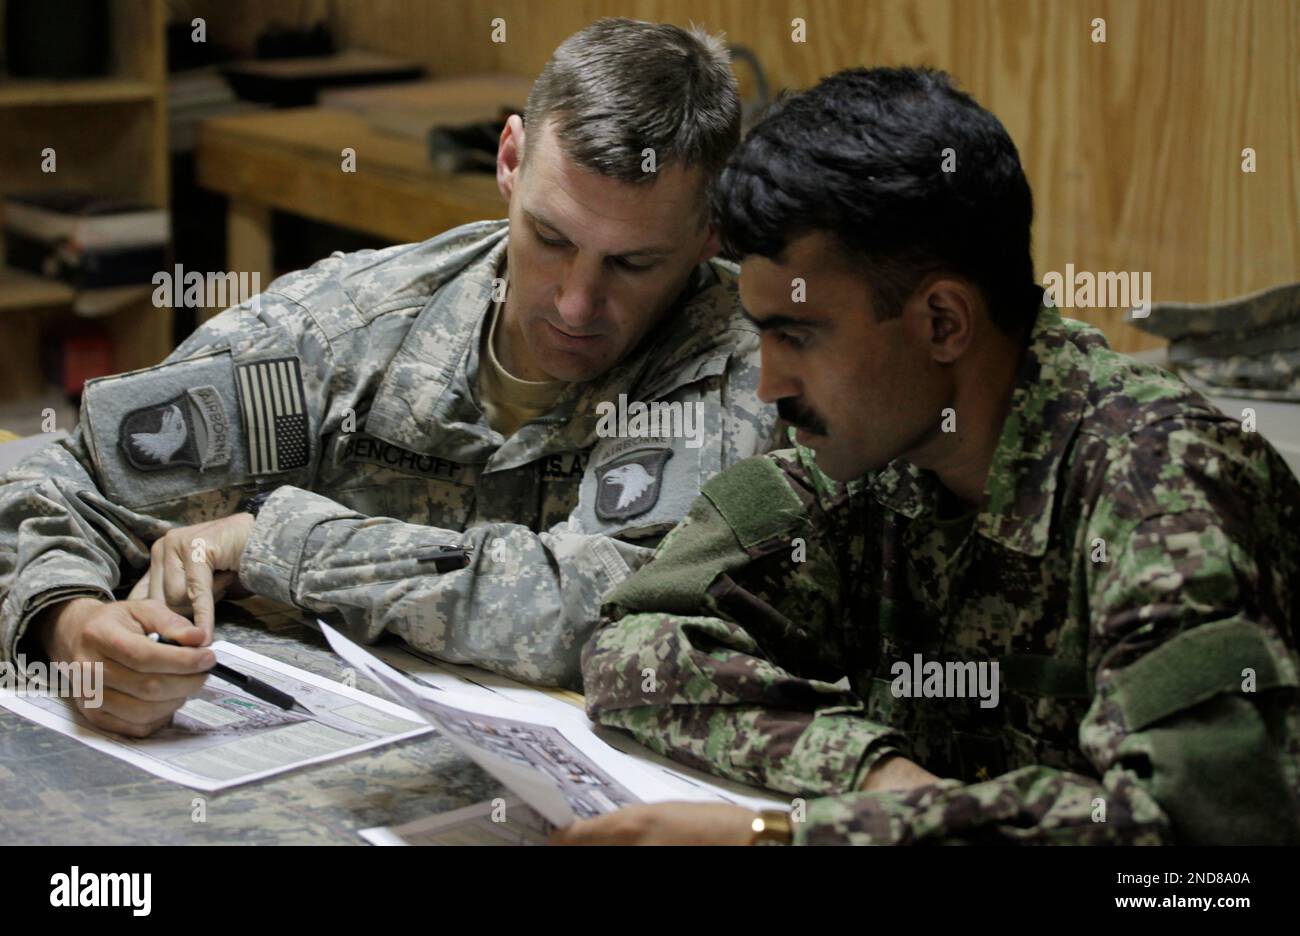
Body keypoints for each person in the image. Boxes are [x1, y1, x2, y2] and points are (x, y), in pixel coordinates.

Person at [563, 67, 1300, 845]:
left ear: (943, 322)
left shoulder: (1161, 491)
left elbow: (1203, 855)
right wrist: (878, 777)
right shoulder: (875, 457)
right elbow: (633, 648)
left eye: (797, 336)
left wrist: (775, 836)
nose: (771, 385)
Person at [0, 19, 779, 739]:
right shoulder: (352, 328)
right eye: (550, 238)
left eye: (633, 264)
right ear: (510, 161)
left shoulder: (744, 368)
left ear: (712, 228)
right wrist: (66, 623)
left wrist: (279, 543)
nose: (577, 303)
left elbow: (607, 613)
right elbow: (60, 482)